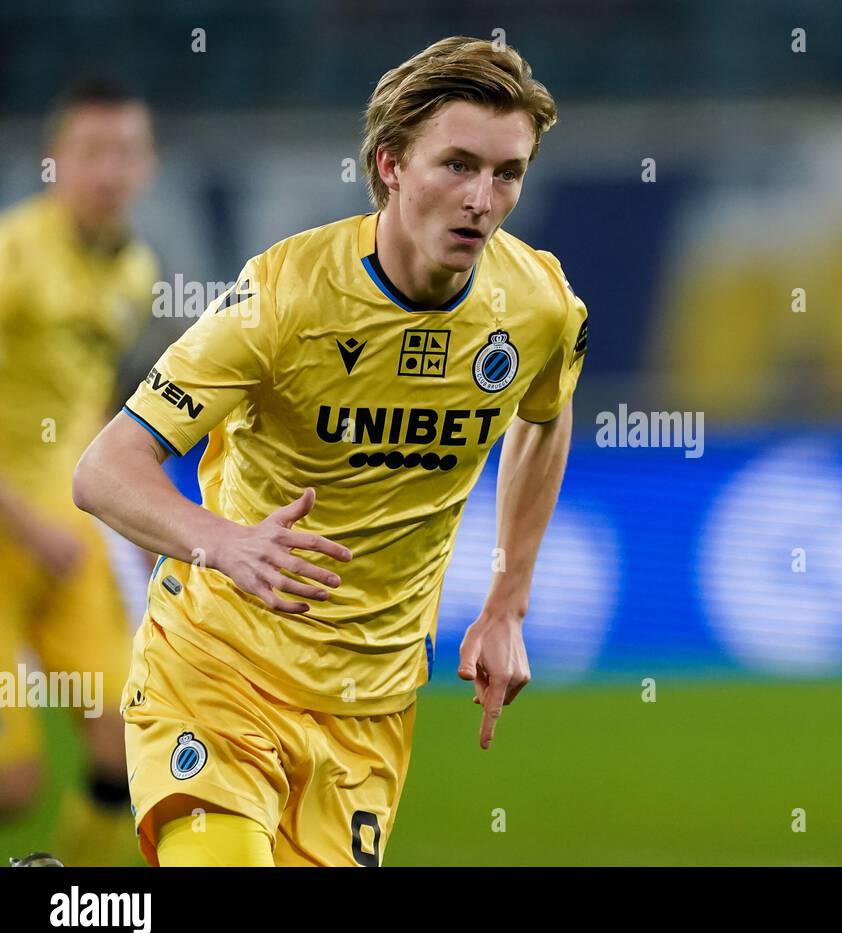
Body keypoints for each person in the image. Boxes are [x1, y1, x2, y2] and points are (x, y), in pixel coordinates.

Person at [72, 36, 588, 866]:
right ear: (389, 165)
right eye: (456, 165)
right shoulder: (281, 299)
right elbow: (102, 470)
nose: (482, 200)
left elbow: (543, 413)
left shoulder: (538, 307)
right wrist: (226, 542)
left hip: (369, 707)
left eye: (507, 173)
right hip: (218, 671)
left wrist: (507, 604)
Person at [0, 77, 158, 866]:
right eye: (92, 151)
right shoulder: (12, 254)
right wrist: (24, 521)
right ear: (56, 161)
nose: (110, 170)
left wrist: (131, 528)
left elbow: (95, 411)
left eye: (126, 151)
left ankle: (65, 901)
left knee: (129, 746)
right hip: (6, 539)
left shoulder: (135, 271)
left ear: (148, 165)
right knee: (11, 788)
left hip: (70, 548)